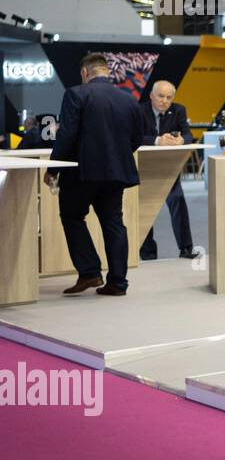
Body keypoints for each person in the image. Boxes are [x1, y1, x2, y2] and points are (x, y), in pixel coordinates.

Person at [48, 52, 145, 296]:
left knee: (72, 216)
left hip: (82, 173)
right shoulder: (129, 99)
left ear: (84, 73)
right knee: (114, 223)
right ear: (106, 71)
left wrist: (53, 168)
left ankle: (90, 272)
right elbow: (136, 138)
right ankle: (118, 283)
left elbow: (66, 135)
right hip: (116, 173)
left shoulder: (76, 94)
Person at [139, 80, 197, 260]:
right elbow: (133, 137)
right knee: (146, 209)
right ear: (151, 96)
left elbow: (188, 135)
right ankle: (147, 253)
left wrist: (182, 140)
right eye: (160, 96)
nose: (164, 101)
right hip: (144, 169)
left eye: (169, 97)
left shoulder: (179, 110)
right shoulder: (139, 111)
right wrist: (157, 141)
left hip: (168, 169)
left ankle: (186, 249)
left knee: (178, 200)